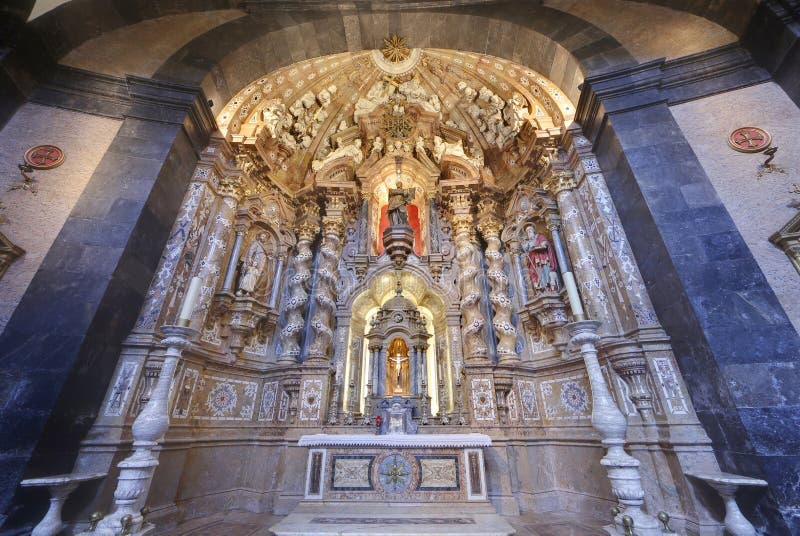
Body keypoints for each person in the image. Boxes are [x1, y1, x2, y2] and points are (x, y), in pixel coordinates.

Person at [521, 225, 558, 292]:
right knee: (535, 274)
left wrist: (535, 248)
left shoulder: (540, 237)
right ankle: (541, 289)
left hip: (542, 258)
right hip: (533, 260)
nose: (529, 232)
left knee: (545, 271)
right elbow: (524, 249)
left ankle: (549, 288)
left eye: (530, 230)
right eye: (527, 231)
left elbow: (544, 245)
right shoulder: (528, 242)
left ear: (533, 230)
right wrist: (523, 243)